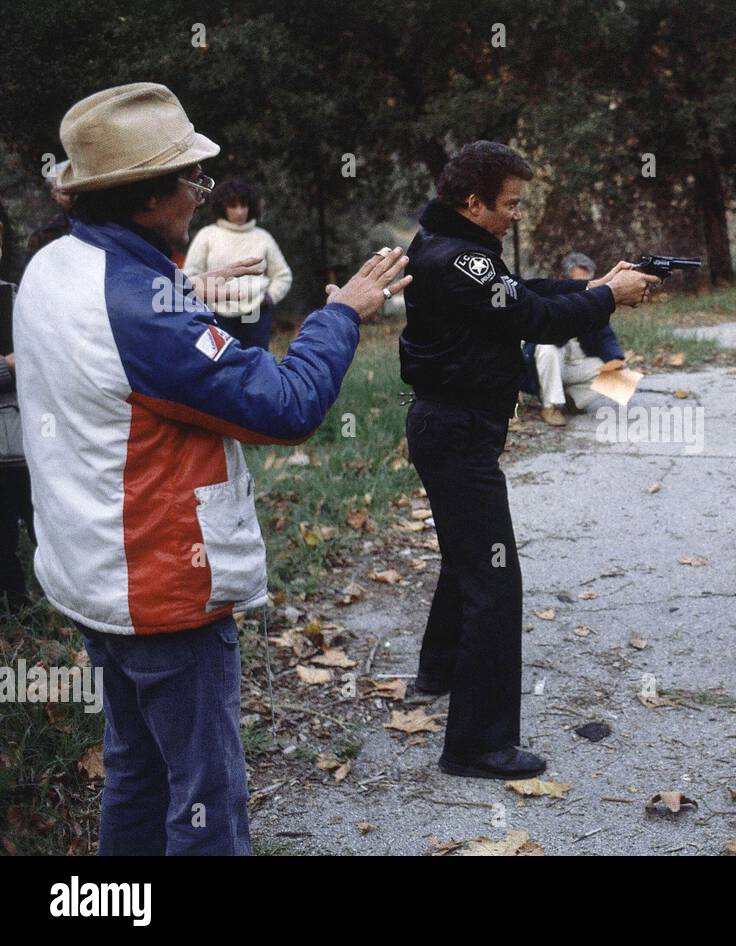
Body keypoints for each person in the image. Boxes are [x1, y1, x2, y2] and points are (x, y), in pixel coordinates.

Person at [15, 82, 409, 854]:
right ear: (146, 199)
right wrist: (342, 314)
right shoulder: (143, 312)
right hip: (163, 590)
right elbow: (286, 405)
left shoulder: (54, 266)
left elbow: (120, 336)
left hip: (89, 575)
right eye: (191, 181)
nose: (200, 196)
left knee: (137, 769)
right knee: (206, 799)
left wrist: (179, 291)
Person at [400, 140, 657, 779]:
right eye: (510, 205)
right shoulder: (458, 258)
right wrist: (606, 298)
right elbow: (537, 317)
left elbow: (518, 293)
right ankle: (478, 745)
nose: (517, 215)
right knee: (495, 580)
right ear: (472, 201)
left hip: (454, 425)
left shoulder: (450, 247)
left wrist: (594, 286)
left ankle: (438, 671)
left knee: (467, 558)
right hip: (456, 430)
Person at [183, 178, 292, 349]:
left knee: (256, 365)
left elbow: (283, 275)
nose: (240, 211)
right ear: (222, 208)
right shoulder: (207, 236)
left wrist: (268, 298)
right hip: (216, 315)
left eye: (244, 205)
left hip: (256, 314)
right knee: (222, 367)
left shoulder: (262, 237)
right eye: (233, 206)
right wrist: (208, 299)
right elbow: (190, 277)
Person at [523, 251, 628, 427]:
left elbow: (604, 333)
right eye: (579, 284)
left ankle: (574, 399)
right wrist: (574, 311)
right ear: (563, 280)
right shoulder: (549, 298)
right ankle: (551, 405)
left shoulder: (591, 302)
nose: (585, 289)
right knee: (547, 349)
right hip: (545, 363)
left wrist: (615, 359)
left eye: (588, 283)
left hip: (575, 362)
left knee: (619, 377)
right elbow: (547, 335)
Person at [0, 293, 35, 615]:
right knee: (5, 536)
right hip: (8, 454)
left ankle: (58, 601)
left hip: (32, 444)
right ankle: (20, 608)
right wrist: (8, 363)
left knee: (46, 526)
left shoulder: (12, 295)